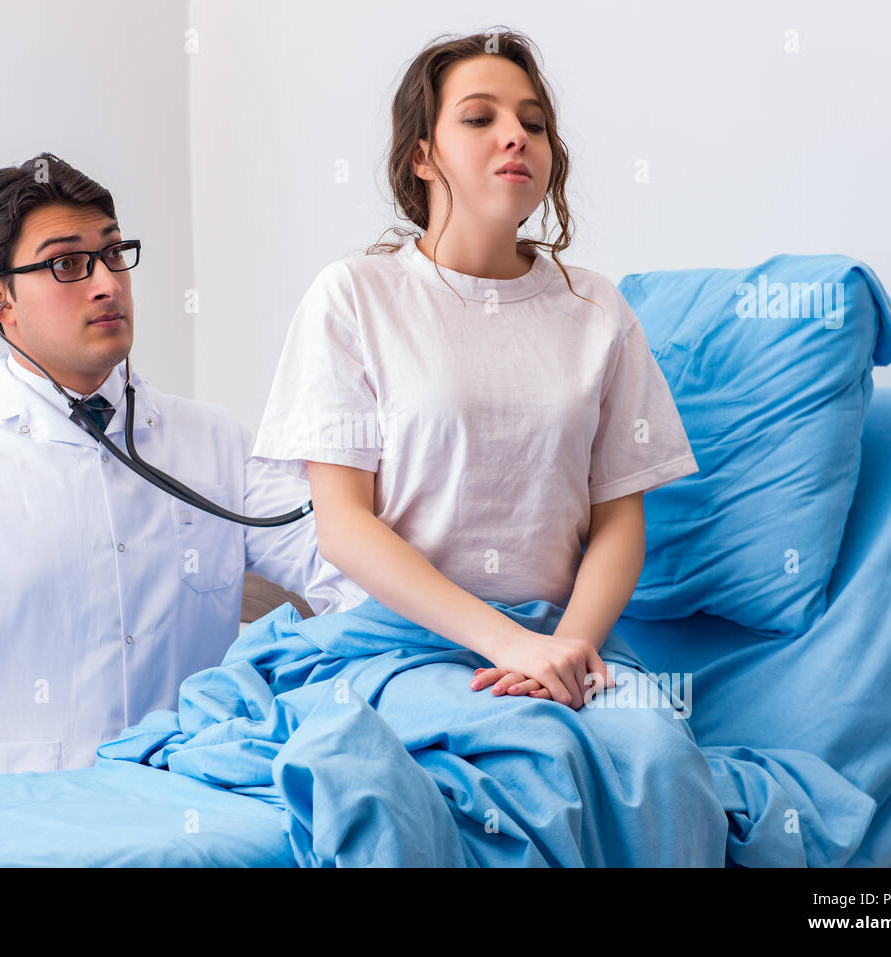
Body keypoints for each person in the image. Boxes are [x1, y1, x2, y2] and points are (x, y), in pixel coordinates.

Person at [0, 152, 365, 784]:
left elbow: (351, 565)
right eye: (66, 264)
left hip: (168, 827)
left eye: (113, 253)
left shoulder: (212, 440)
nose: (107, 282)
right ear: (0, 298)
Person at [250, 30, 698, 709]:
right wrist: (506, 644)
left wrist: (566, 651)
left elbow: (619, 520)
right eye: (480, 117)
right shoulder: (355, 295)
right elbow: (342, 525)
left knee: (655, 758)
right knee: (519, 752)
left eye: (534, 122)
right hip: (399, 640)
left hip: (560, 639)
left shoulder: (598, 308)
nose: (515, 135)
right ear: (423, 157)